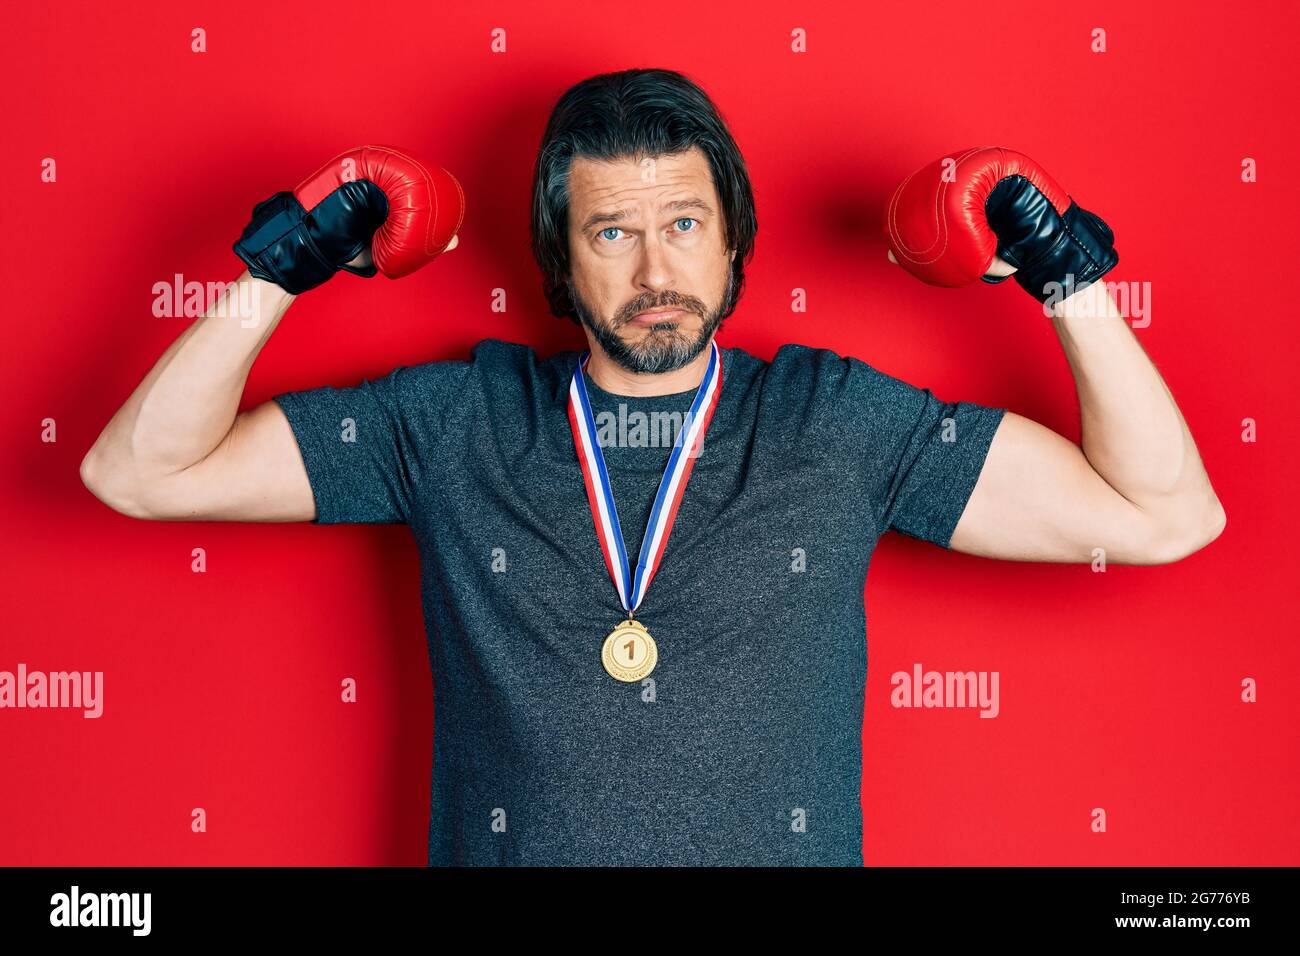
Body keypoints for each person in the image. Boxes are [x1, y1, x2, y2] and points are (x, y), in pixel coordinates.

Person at [79, 68, 1225, 866]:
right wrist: (282, 265)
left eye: (683, 223)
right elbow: (140, 474)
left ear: (733, 241)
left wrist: (1059, 269)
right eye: (610, 233)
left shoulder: (832, 419)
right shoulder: (454, 420)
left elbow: (1165, 514)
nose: (652, 269)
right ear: (560, 263)